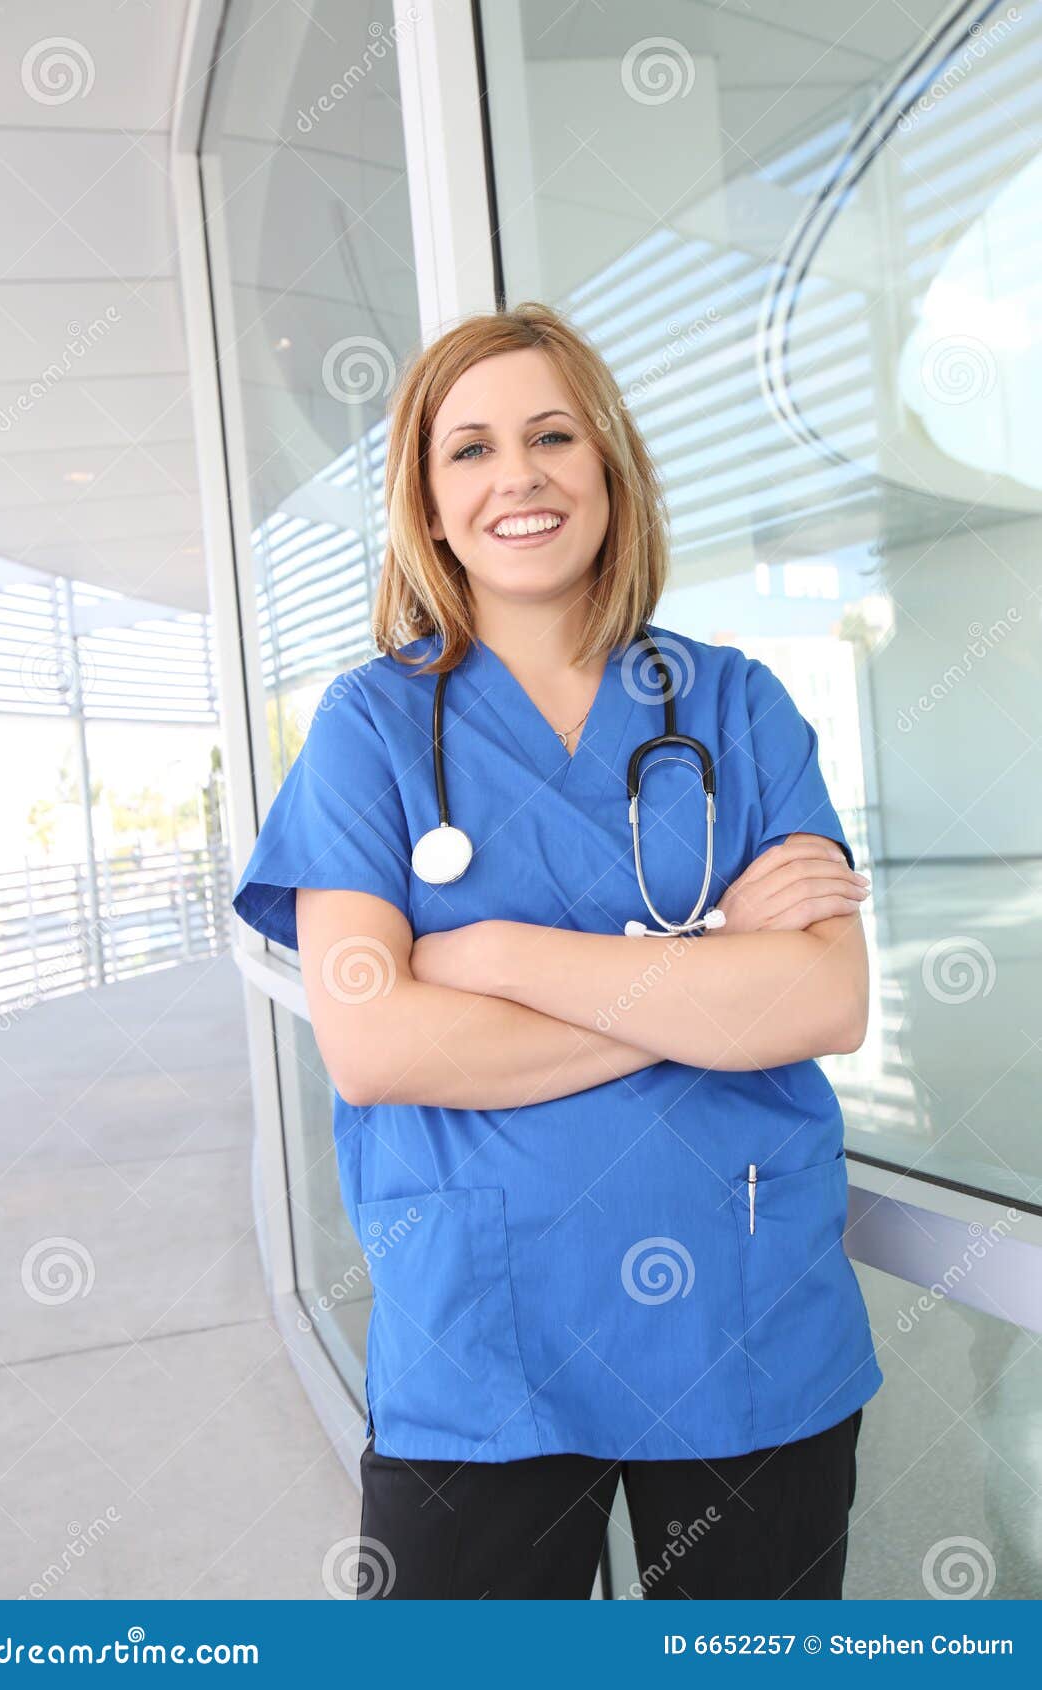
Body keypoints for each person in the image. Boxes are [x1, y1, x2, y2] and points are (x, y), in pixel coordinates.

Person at [231, 301, 882, 1600]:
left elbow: (825, 996)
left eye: (551, 435)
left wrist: (496, 953)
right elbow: (373, 1042)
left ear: (609, 467)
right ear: (425, 495)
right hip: (482, 1337)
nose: (515, 474)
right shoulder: (369, 729)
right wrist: (702, 969)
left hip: (745, 1317)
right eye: (468, 448)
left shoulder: (736, 703)